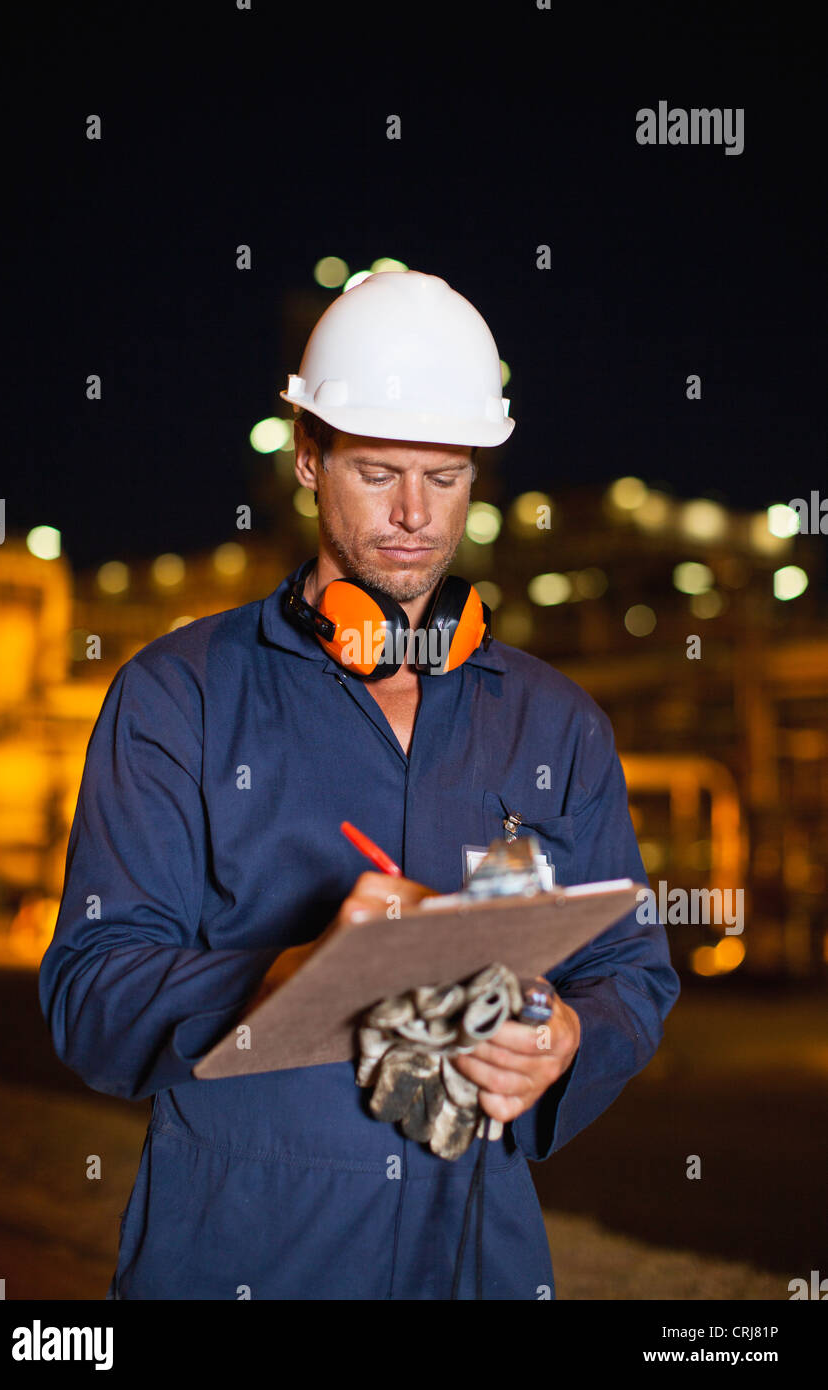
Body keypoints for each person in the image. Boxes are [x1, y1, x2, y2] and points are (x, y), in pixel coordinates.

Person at [39, 269, 679, 1300]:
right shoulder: (178, 699)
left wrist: (568, 1040)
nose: (416, 517)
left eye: (447, 476)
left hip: (478, 1253)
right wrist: (293, 979)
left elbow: (631, 973)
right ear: (305, 455)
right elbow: (89, 996)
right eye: (378, 472)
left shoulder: (553, 719)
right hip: (242, 1252)